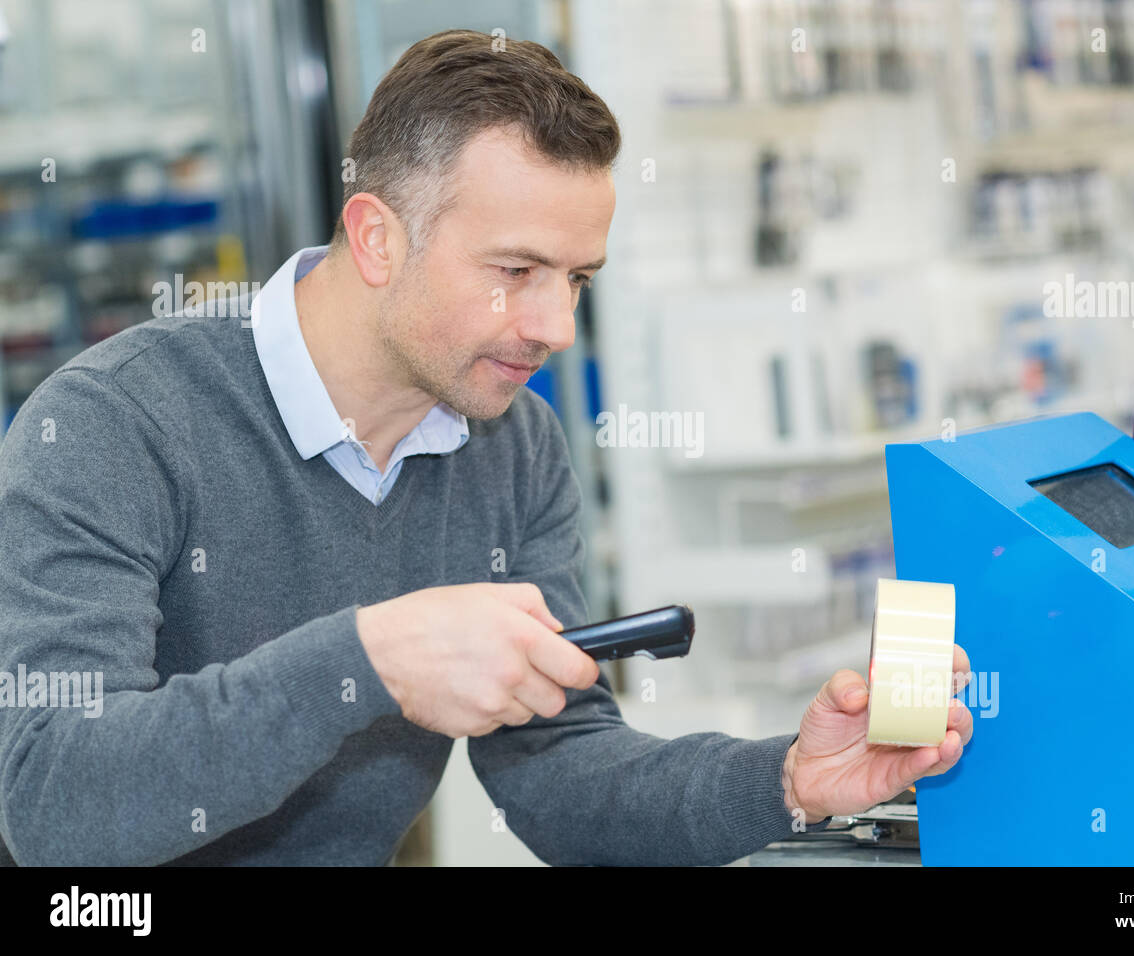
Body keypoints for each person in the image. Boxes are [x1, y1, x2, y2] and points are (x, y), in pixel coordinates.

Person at [0, 29, 971, 866]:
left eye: (578, 278)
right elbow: (53, 806)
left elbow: (558, 770)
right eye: (515, 270)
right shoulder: (110, 425)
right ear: (376, 238)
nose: (553, 325)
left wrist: (788, 778)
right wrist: (368, 656)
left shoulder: (512, 447)